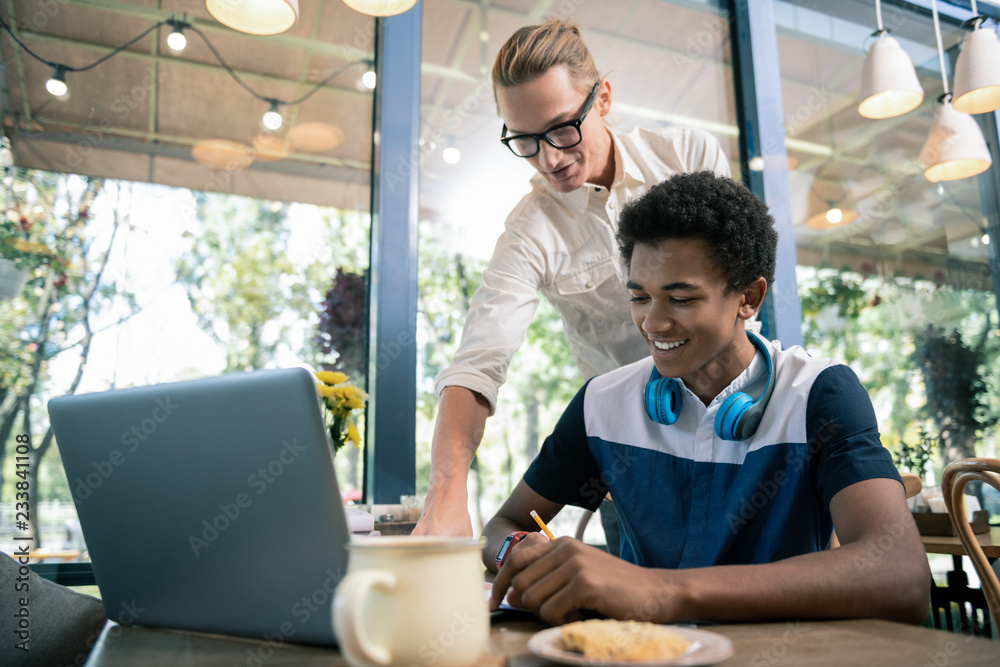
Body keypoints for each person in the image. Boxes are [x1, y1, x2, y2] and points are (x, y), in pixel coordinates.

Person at [483, 171, 931, 626]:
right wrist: (520, 549)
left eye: (680, 299)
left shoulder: (819, 393)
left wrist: (660, 591)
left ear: (749, 298)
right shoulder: (602, 402)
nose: (652, 323)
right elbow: (503, 525)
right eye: (640, 297)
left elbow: (900, 574)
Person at [415, 20, 731, 536]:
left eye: (563, 128)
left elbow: (733, 290)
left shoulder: (687, 158)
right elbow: (478, 362)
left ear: (602, 98)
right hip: (631, 456)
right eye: (526, 140)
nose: (550, 158)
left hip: (735, 424)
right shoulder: (530, 229)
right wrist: (446, 494)